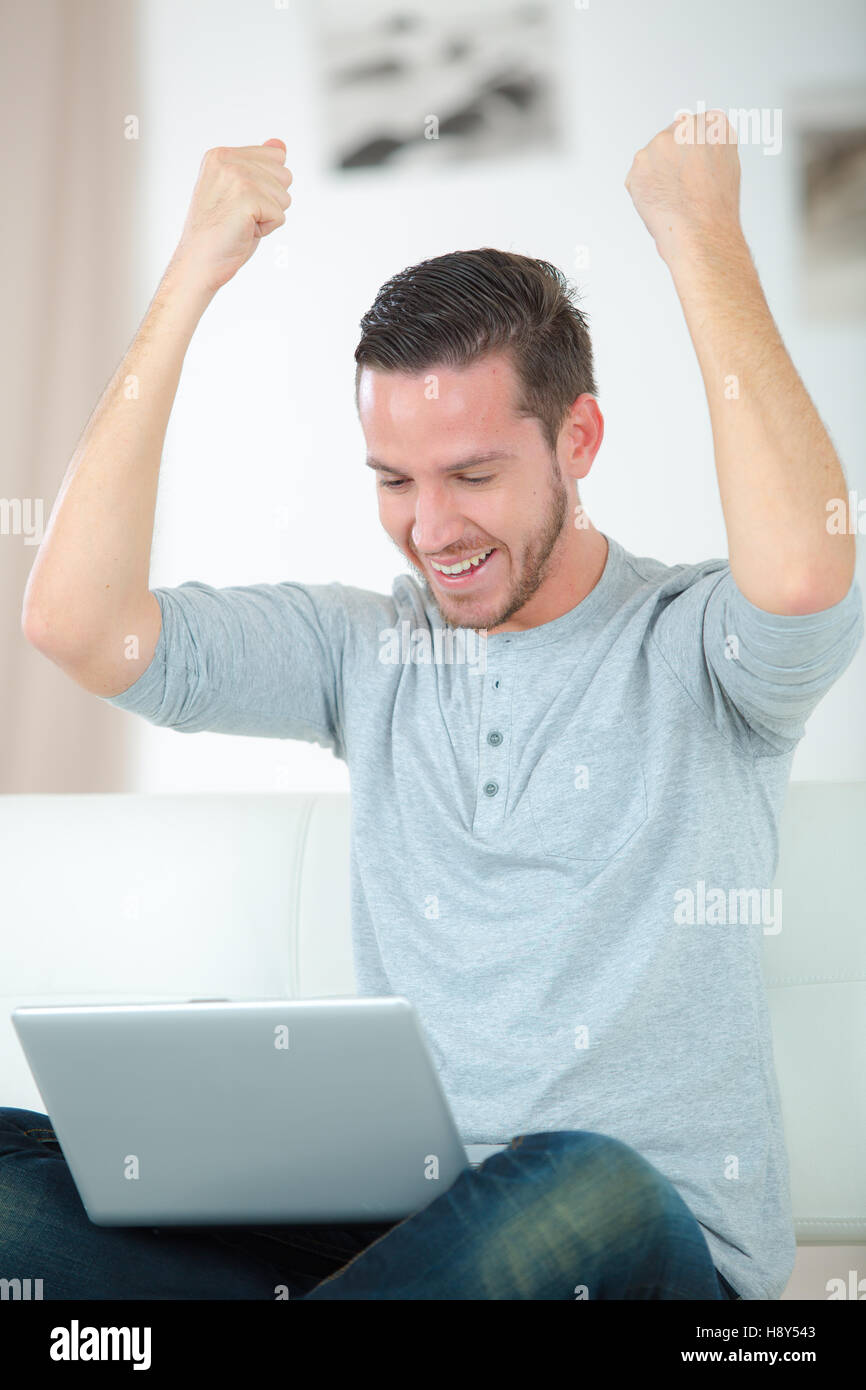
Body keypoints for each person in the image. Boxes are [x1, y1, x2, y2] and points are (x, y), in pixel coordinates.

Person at [10, 117, 861, 1300]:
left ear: (578, 437)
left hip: (634, 1248)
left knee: (580, 1182)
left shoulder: (699, 643)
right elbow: (73, 625)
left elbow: (808, 569)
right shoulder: (363, 649)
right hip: (400, 1242)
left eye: (470, 475)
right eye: (392, 481)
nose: (430, 529)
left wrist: (698, 234)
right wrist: (190, 271)